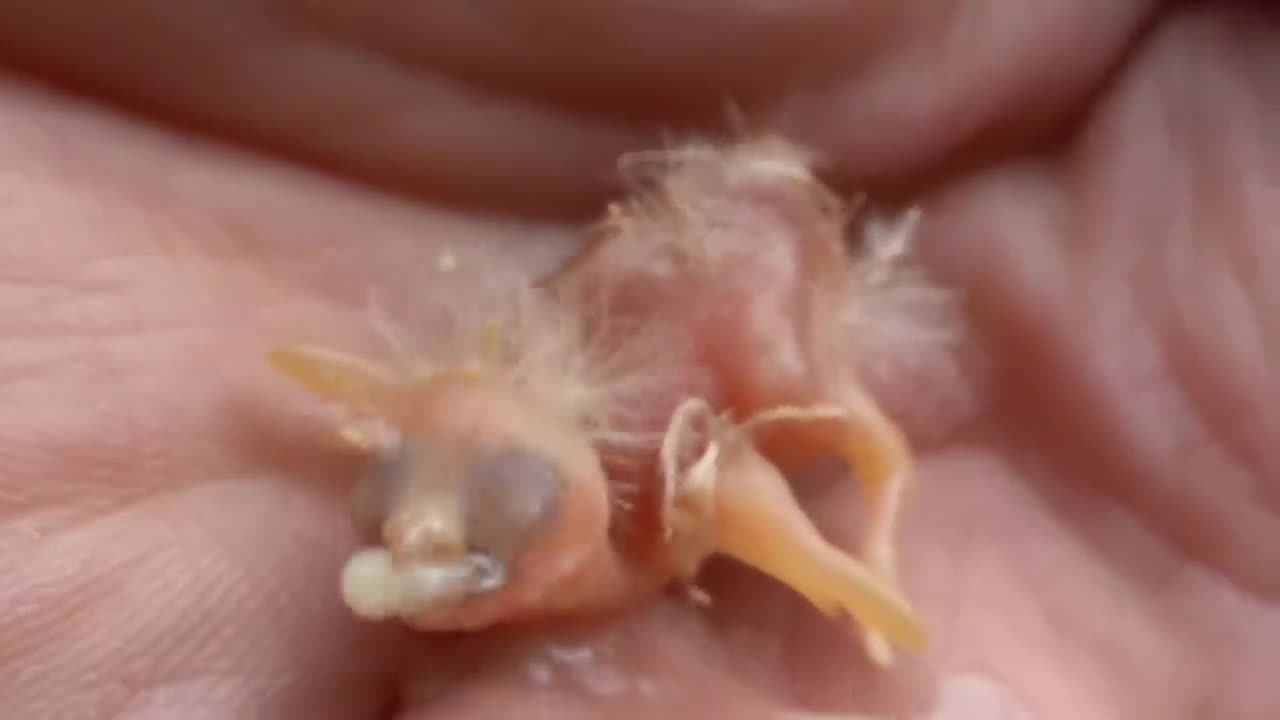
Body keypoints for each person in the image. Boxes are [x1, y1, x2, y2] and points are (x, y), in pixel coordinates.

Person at [0, 3, 1274, 718]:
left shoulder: (701, 482)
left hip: (732, 338)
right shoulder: (498, 423)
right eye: (396, 493)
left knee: (798, 415)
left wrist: (860, 566)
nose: (416, 536)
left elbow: (773, 488)